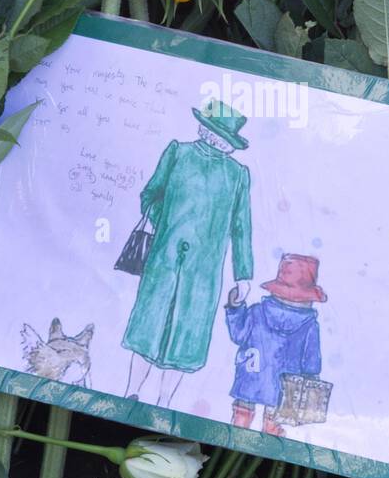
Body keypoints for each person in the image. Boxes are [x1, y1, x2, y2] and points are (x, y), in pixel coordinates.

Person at [122, 99, 254, 405]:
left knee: (187, 336)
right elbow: (150, 195)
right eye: (213, 130)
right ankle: (131, 391)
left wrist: (243, 274)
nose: (215, 138)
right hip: (164, 256)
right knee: (148, 325)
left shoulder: (237, 175)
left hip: (204, 271)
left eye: (222, 135)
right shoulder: (177, 152)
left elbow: (241, 227)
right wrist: (164, 222)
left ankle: (164, 402)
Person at [224, 253, 326, 437]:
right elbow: (311, 360)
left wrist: (235, 307)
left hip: (249, 378)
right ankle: (270, 433)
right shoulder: (310, 326)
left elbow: (238, 334)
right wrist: (312, 378)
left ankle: (238, 427)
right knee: (275, 414)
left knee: (243, 408)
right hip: (284, 384)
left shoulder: (256, 312)